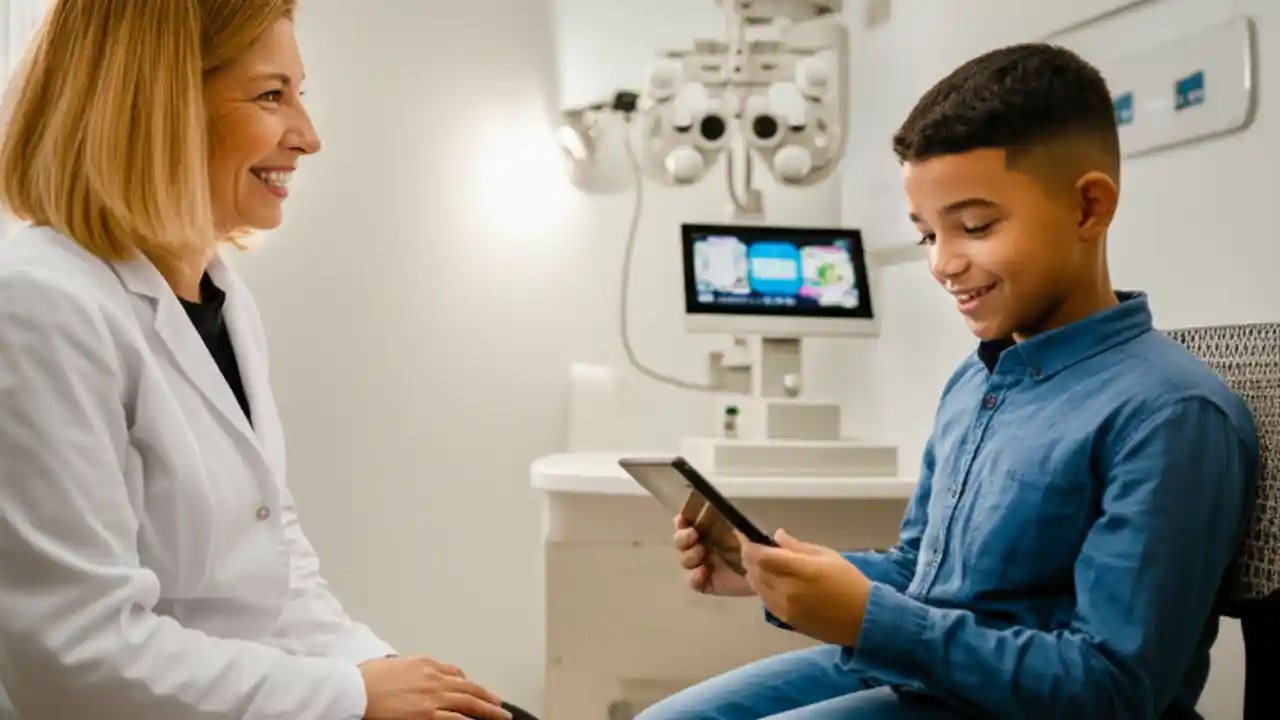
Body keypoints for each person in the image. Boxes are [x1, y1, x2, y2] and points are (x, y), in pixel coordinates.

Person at [639, 43, 1260, 720]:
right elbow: (923, 576)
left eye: (974, 227)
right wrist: (777, 575)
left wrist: (869, 621)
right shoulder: (975, 381)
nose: (943, 263)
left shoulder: (1171, 414)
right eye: (925, 235)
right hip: (931, 675)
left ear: (1087, 208)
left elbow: (1111, 687)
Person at [0, 3, 533, 719]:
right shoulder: (39, 306)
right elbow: (76, 654)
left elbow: (270, 568)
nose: (308, 137)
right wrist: (351, 695)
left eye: (299, 95)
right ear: (157, 106)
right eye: (271, 96)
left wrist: (379, 670)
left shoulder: (216, 294)